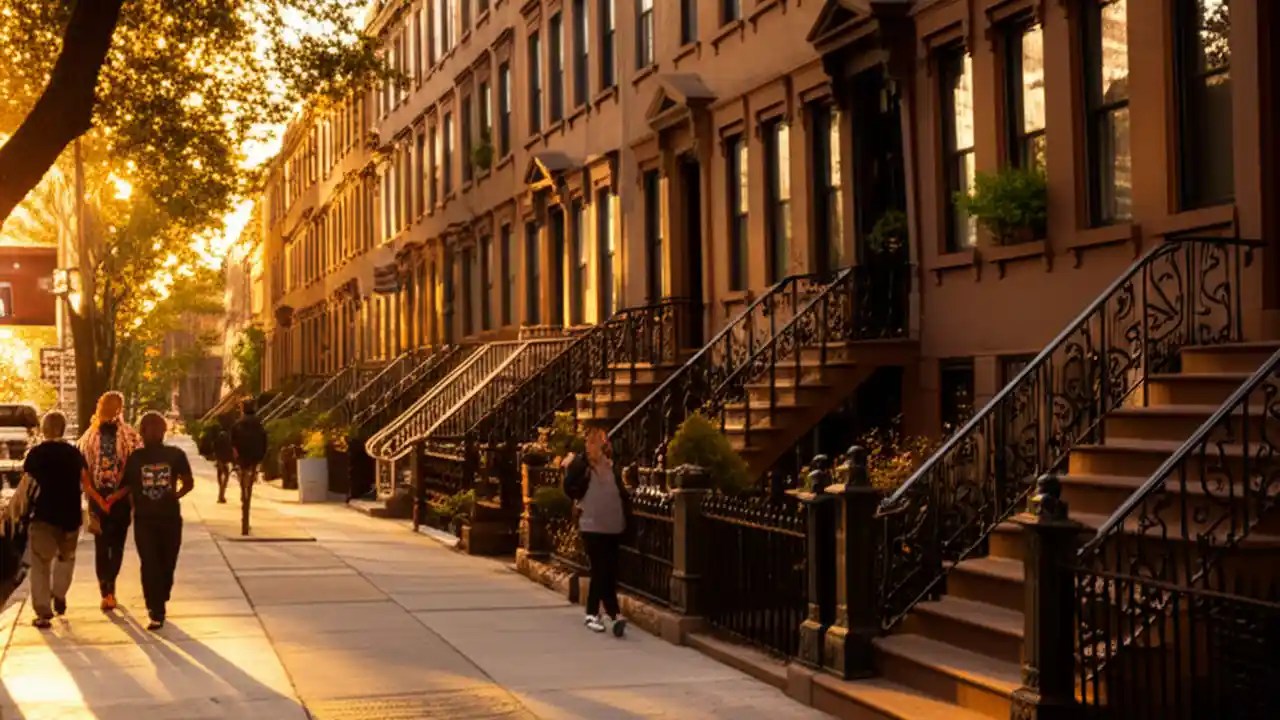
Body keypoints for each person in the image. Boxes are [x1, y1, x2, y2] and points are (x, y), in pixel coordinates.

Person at [121, 412, 194, 630]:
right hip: (148, 520)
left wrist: (175, 496)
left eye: (156, 429)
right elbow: (128, 487)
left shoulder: (176, 455)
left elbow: (188, 482)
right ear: (142, 432)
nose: (152, 432)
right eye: (149, 429)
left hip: (167, 518)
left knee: (164, 563)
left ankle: (160, 598)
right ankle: (155, 608)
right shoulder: (135, 458)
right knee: (152, 563)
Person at [22, 411, 94, 629]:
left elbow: (28, 484)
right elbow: (85, 481)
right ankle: (60, 593)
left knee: (40, 563)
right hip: (70, 515)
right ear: (63, 429)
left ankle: (43, 612)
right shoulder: (74, 453)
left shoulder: (36, 454)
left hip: (43, 515)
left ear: (44, 429)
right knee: (66, 558)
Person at [563, 419, 630, 637]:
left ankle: (610, 615)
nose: (593, 444)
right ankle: (598, 613)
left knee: (609, 571)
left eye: (598, 439)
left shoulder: (611, 466)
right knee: (600, 569)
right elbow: (569, 487)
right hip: (591, 525)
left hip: (612, 526)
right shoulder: (581, 465)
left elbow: (620, 494)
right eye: (590, 440)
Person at [77, 391, 141, 611]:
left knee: (101, 546)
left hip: (97, 502)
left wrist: (99, 499)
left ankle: (105, 591)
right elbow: (136, 472)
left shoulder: (87, 438)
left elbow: (84, 477)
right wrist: (116, 496)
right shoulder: (131, 436)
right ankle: (111, 587)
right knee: (118, 544)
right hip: (121, 500)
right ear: (120, 409)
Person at [229, 399, 268, 536]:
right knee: (250, 485)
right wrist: (261, 457)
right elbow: (264, 441)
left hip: (242, 457)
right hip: (255, 457)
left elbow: (232, 444)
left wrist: (236, 459)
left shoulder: (237, 424)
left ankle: (243, 493)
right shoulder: (259, 424)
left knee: (243, 481)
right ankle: (247, 497)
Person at [211, 416, 235, 504]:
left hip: (220, 459)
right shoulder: (227, 436)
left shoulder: (220, 436)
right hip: (224, 459)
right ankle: (221, 493)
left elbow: (215, 447)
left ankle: (221, 493)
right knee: (225, 476)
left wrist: (217, 458)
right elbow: (229, 448)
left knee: (221, 476)